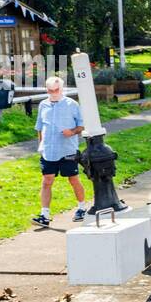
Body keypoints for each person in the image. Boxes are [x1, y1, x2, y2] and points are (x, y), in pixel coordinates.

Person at [32, 76, 88, 227]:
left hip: (67, 150)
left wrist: (72, 131)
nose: (53, 93)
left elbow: (82, 126)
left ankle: (82, 208)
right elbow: (39, 127)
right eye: (50, 90)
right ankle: (44, 215)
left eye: (56, 90)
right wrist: (41, 146)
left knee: (73, 179)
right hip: (48, 151)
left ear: (62, 89)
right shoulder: (43, 105)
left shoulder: (72, 104)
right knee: (47, 181)